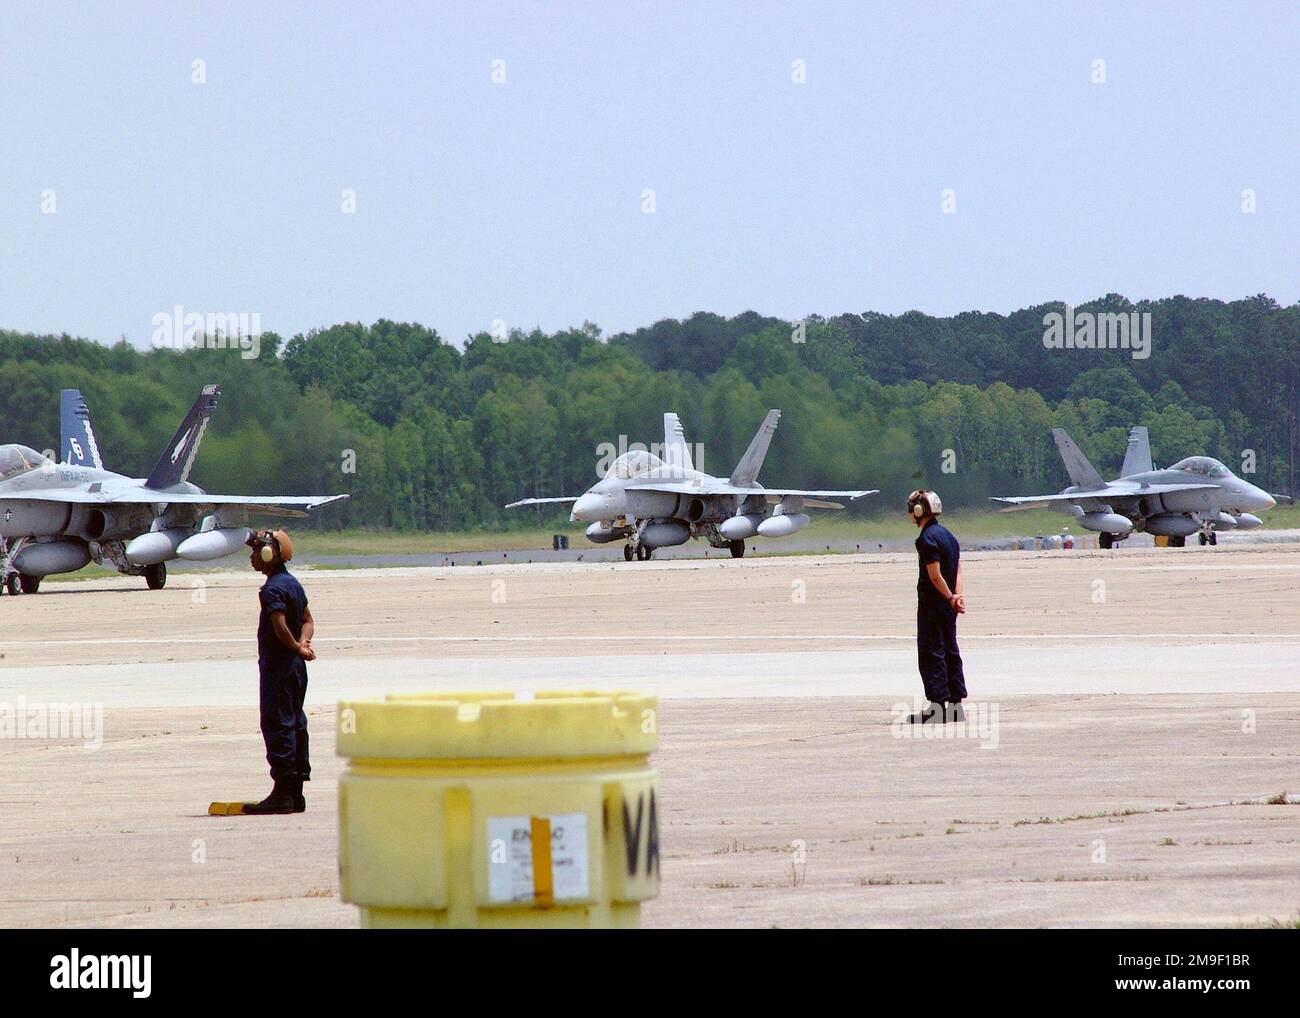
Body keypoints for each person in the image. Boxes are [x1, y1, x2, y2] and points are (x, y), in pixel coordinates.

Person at [243, 528, 315, 814]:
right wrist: (304, 642)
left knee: (277, 723)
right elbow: (308, 619)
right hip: (296, 669)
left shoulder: (273, 588)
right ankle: (295, 794)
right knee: (296, 722)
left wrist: (296, 646)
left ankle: (282, 794)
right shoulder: (292, 583)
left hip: (280, 666)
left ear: (268, 554)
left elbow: (280, 626)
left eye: (256, 551)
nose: (252, 557)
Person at [907, 490, 967, 724]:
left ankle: (937, 707)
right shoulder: (949, 536)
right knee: (950, 650)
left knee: (932, 652)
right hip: (948, 606)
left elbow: (934, 576)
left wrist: (949, 596)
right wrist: (956, 596)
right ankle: (955, 707)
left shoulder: (927, 539)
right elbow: (959, 570)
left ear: (921, 511)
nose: (910, 512)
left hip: (934, 605)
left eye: (913, 508)